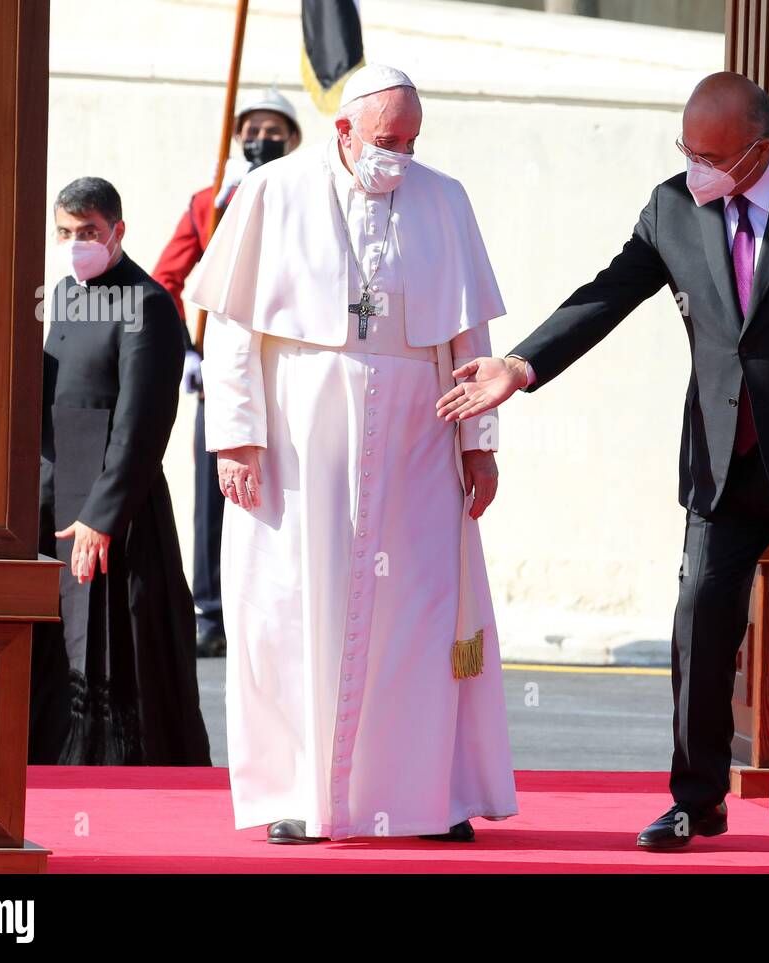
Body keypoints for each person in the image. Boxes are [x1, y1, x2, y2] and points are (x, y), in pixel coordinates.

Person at [437, 72, 769, 862]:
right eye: (687, 150)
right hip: (723, 466)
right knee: (699, 624)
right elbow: (609, 293)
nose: (698, 168)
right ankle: (696, 803)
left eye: (713, 156)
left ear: (761, 149)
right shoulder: (673, 206)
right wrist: (519, 366)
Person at [184, 65, 517, 843]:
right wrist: (237, 435)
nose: (400, 155)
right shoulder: (271, 193)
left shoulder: (445, 198)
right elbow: (232, 326)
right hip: (303, 435)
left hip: (418, 435)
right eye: (386, 140)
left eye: (411, 141)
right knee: (293, 605)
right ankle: (301, 796)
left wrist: (482, 445)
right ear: (344, 130)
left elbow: (472, 337)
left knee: (425, 612)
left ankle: (424, 800)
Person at [32, 176, 211, 766]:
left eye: (88, 232)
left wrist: (101, 517)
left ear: (117, 232)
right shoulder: (60, 293)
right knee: (57, 649)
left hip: (117, 511)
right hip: (52, 500)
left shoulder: (151, 303)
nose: (76, 243)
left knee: (117, 648)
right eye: (65, 232)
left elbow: (142, 425)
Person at [152, 86, 303, 659]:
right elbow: (168, 279)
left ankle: (282, 613)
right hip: (223, 368)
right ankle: (210, 612)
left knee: (293, 489)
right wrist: (184, 351)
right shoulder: (210, 201)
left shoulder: (311, 197)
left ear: (292, 140)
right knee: (215, 494)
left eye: (274, 132)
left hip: (290, 370)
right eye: (252, 130)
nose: (261, 140)